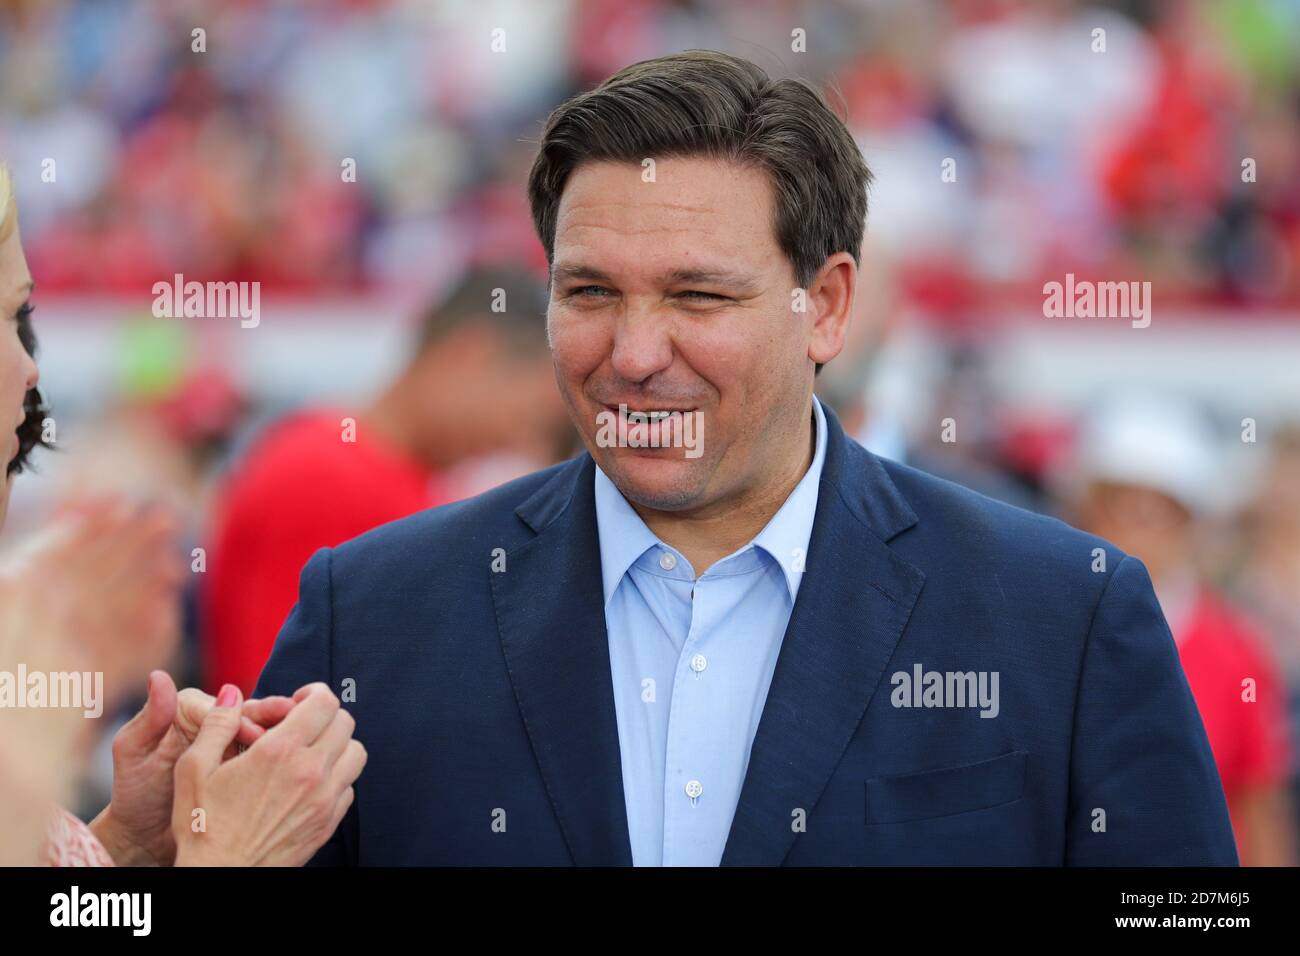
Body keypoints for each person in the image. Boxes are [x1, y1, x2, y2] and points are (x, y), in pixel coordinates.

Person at [256, 50, 1236, 865]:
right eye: (591, 291)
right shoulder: (372, 617)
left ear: (829, 306)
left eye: (698, 297)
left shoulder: (1061, 616)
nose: (633, 355)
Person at [0, 161, 366, 866]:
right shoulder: (123, 463)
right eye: (12, 320)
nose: (33, 368)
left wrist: (125, 843)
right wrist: (235, 853)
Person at [201, 267, 569, 695]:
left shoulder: (413, 484)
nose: (517, 441)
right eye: (526, 418)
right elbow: (272, 695)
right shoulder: (322, 474)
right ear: (471, 355)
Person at [1065, 394, 1296, 866]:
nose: (1135, 531)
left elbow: (1260, 803)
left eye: (1158, 513)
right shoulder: (1047, 632)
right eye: (1118, 507)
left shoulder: (1235, 649)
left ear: (1190, 524)